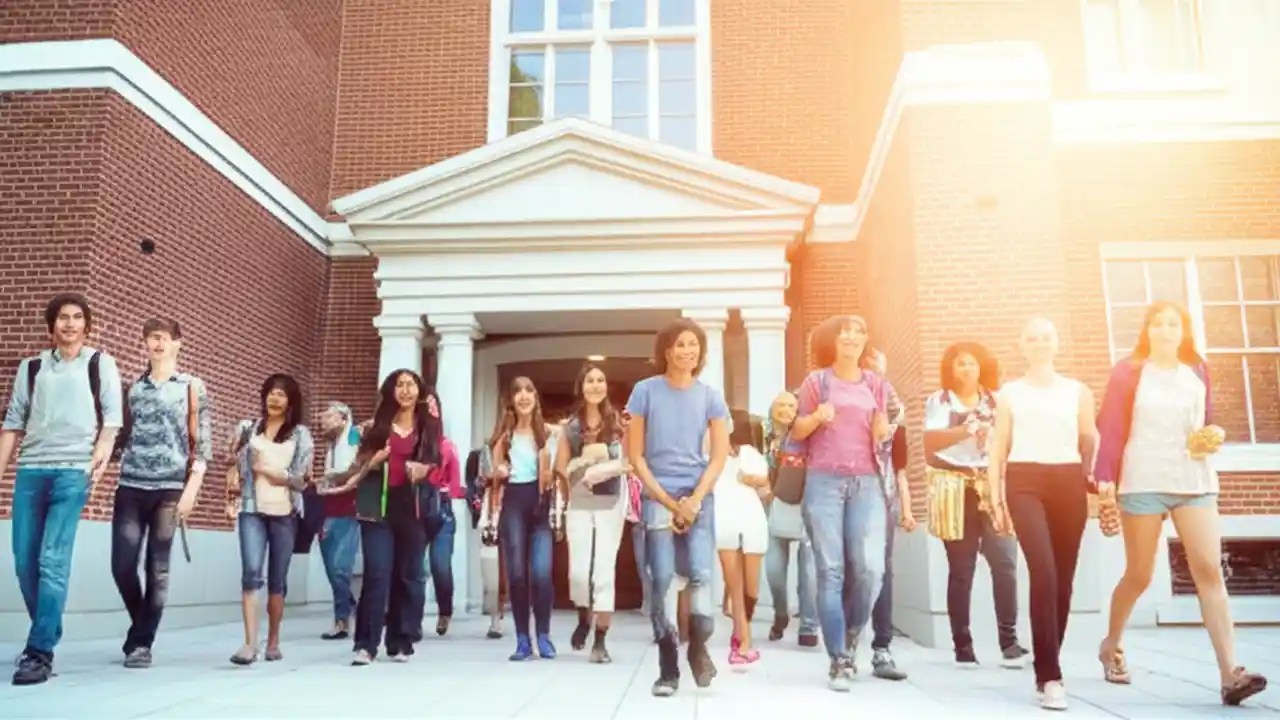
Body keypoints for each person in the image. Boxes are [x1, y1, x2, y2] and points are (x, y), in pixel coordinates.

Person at [1095, 301, 1267, 706]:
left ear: (1184, 330)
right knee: (1139, 574)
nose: (1167, 330)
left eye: (1174, 323)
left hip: (1195, 479)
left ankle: (1229, 674)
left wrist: (1211, 436)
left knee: (1209, 570)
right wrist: (1104, 475)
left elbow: (1202, 420)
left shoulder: (1197, 370)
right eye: (1159, 323)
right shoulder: (1130, 371)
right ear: (1147, 330)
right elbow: (1112, 425)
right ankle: (1111, 644)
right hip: (1143, 479)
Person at [1, 293, 124, 685]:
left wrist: (100, 454)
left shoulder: (99, 363)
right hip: (32, 470)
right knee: (24, 559)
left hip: (73, 471)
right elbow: (13, 422)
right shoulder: (32, 367)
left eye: (76, 317)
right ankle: (48, 627)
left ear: (86, 325)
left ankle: (39, 651)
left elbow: (112, 419)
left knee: (52, 559)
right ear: (51, 326)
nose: (69, 324)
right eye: (62, 318)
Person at [789, 315, 901, 692]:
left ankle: (852, 634)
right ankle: (838, 657)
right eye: (844, 331)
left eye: (858, 331)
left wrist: (882, 430)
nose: (852, 337)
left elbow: (883, 433)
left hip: (867, 482)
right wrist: (817, 417)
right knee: (831, 571)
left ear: (865, 340)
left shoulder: (877, 384)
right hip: (824, 481)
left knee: (871, 569)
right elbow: (796, 431)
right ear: (833, 341)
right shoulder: (816, 382)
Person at [989, 318, 1095, 711]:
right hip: (1024, 480)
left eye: (1046, 337)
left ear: (1057, 343)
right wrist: (995, 497)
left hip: (1068, 480)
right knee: (1044, 572)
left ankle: (1045, 661)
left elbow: (1090, 439)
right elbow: (998, 448)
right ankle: (1051, 676)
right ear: (1022, 345)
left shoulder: (1078, 391)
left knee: (1063, 581)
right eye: (1031, 337)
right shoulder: (1009, 394)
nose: (1039, 343)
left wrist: (1097, 483)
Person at [627, 318, 730, 697]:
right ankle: (668, 667)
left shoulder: (710, 396)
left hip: (698, 495)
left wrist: (696, 498)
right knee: (663, 581)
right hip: (659, 497)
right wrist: (670, 502)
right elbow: (636, 456)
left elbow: (718, 457)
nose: (689, 350)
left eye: (695, 345)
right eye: (681, 344)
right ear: (667, 351)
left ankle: (699, 649)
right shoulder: (644, 392)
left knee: (702, 575)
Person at [110, 318, 212, 668]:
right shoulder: (133, 389)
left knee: (158, 569)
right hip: (131, 485)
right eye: (151, 338)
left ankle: (141, 643)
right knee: (122, 566)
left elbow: (203, 446)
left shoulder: (191, 387)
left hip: (170, 488)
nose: (157, 343)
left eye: (164, 338)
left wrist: (191, 490)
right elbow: (119, 437)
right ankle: (142, 624)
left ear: (177, 343)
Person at [322, 369, 437, 665]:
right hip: (377, 508)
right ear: (391, 391)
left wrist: (423, 470)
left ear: (419, 391)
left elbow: (434, 463)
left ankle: (400, 641)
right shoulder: (376, 426)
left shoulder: (428, 427)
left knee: (407, 575)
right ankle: (366, 644)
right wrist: (373, 461)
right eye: (399, 385)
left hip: (411, 508)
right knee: (377, 573)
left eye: (411, 385)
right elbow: (358, 465)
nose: (405, 390)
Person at [923, 341, 1026, 669]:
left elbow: (1012, 439)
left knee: (1006, 563)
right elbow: (930, 445)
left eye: (971, 363)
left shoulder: (997, 401)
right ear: (950, 369)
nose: (966, 369)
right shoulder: (939, 401)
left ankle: (1009, 642)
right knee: (961, 568)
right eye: (960, 363)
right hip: (955, 486)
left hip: (992, 484)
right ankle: (962, 645)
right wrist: (965, 430)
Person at [226, 374, 315, 665]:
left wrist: (274, 474)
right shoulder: (249, 428)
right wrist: (233, 467)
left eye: (282, 394)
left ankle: (273, 640)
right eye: (271, 393)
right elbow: (233, 463)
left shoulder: (300, 434)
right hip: (252, 509)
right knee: (251, 573)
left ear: (291, 401)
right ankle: (249, 644)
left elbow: (302, 480)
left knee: (277, 580)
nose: (275, 398)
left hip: (284, 513)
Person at [557, 363, 630, 663]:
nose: (596, 385)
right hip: (578, 499)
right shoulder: (570, 427)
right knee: (578, 570)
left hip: (611, 499)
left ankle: (600, 639)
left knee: (603, 568)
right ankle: (583, 616)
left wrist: (601, 467)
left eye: (601, 380)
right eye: (590, 380)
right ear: (581, 386)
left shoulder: (619, 424)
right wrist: (578, 472)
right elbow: (561, 468)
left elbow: (629, 461)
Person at [489, 376, 555, 661]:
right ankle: (522, 639)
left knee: (541, 573)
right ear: (511, 401)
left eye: (530, 390)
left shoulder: (550, 434)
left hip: (540, 503)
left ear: (536, 397)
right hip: (513, 503)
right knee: (516, 575)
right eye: (518, 392)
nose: (524, 396)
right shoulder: (504, 437)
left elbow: (561, 466)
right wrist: (498, 471)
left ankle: (543, 635)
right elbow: (494, 472)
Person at [762, 390, 819, 648]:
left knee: (808, 570)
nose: (786, 409)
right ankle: (780, 613)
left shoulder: (809, 434)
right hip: (775, 504)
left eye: (791, 405)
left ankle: (808, 625)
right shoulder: (762, 434)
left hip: (808, 505)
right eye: (780, 404)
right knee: (774, 570)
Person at [715, 408, 769, 666]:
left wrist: (750, 478)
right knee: (734, 582)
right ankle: (742, 640)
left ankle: (741, 625)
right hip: (723, 516)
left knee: (751, 586)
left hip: (751, 517)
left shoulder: (751, 453)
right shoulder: (710, 453)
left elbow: (763, 479)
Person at [316, 402, 361, 641]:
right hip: (327, 510)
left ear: (343, 419)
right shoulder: (330, 444)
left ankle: (341, 621)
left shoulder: (353, 435)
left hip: (348, 510)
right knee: (331, 568)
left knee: (341, 567)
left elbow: (357, 466)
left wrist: (335, 477)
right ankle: (352, 608)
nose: (323, 422)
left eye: (328, 417)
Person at [422, 388, 461, 637]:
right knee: (412, 568)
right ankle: (410, 618)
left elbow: (456, 483)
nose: (431, 409)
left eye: (434, 404)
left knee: (440, 566)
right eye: (426, 405)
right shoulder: (410, 443)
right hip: (413, 508)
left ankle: (445, 610)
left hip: (441, 510)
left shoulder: (447, 446)